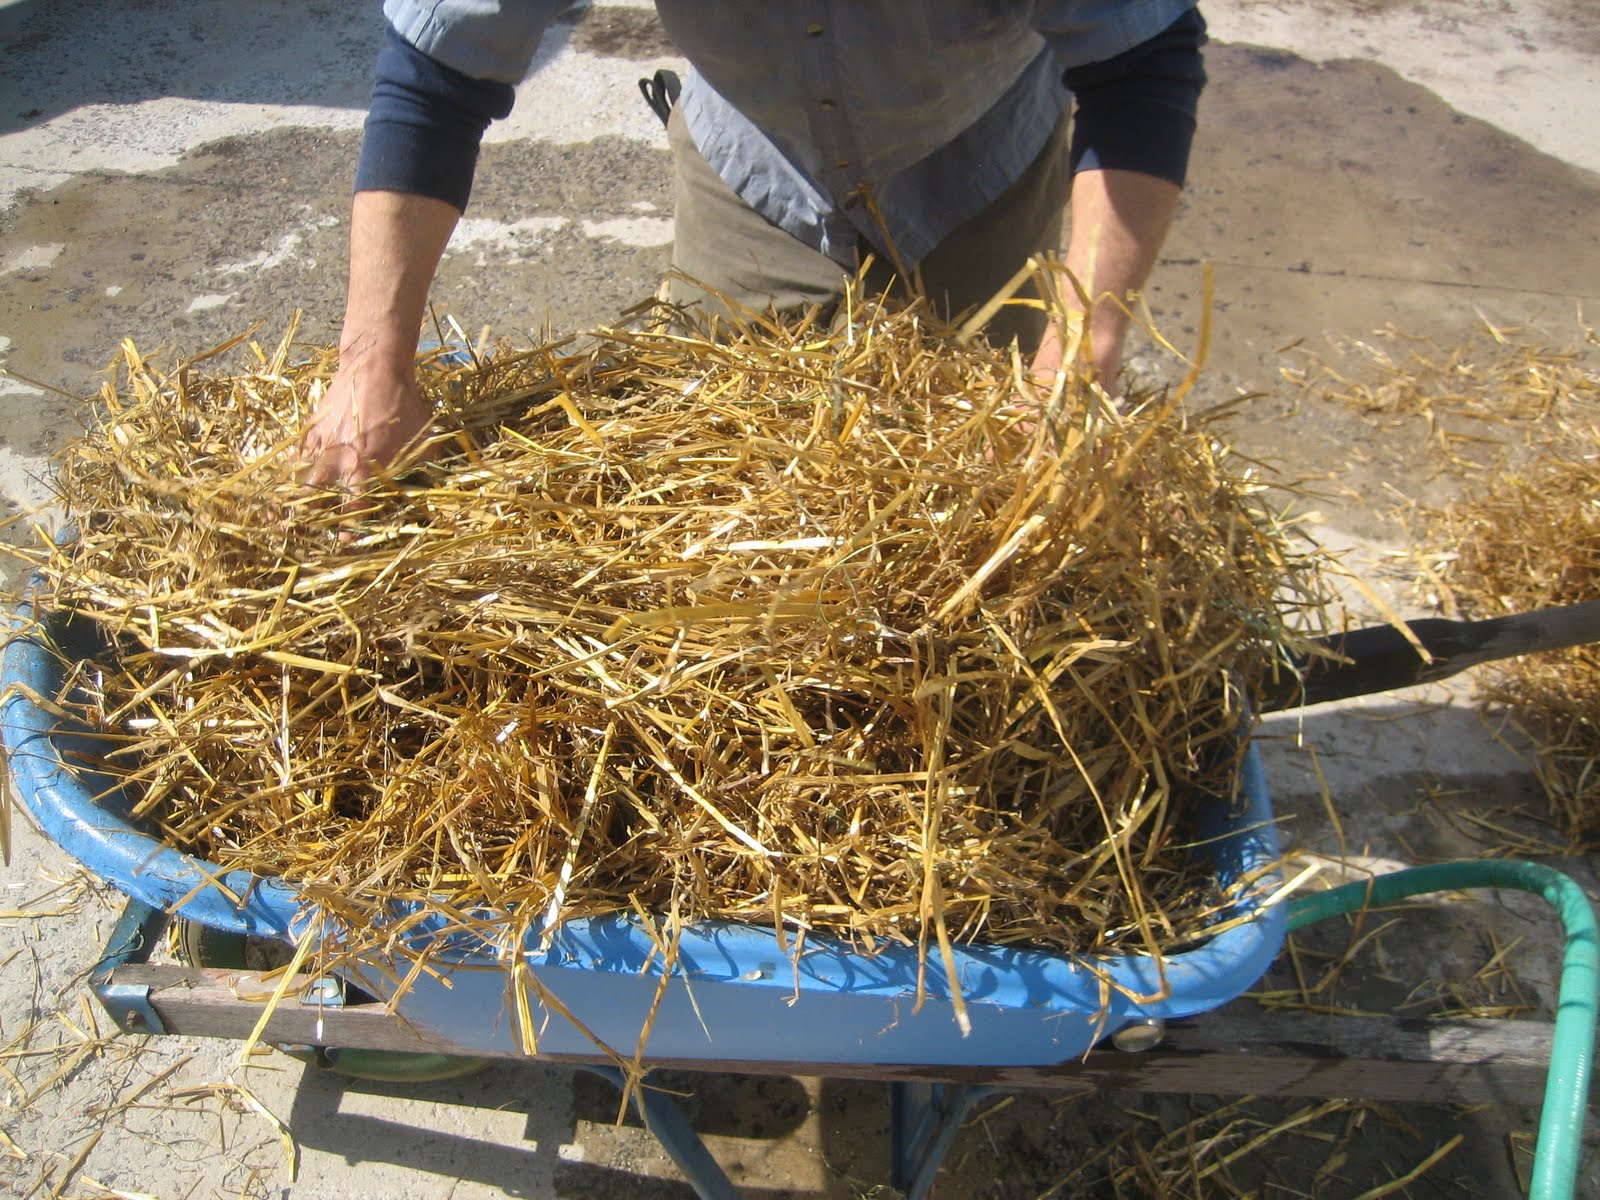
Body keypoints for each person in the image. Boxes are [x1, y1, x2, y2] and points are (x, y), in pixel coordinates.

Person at [302, 1, 1208, 486]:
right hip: (756, 161)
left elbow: (1143, 64)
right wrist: (372, 363)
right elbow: (434, 74)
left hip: (975, 153)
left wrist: (1080, 357)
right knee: (714, 493)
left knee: (995, 488)